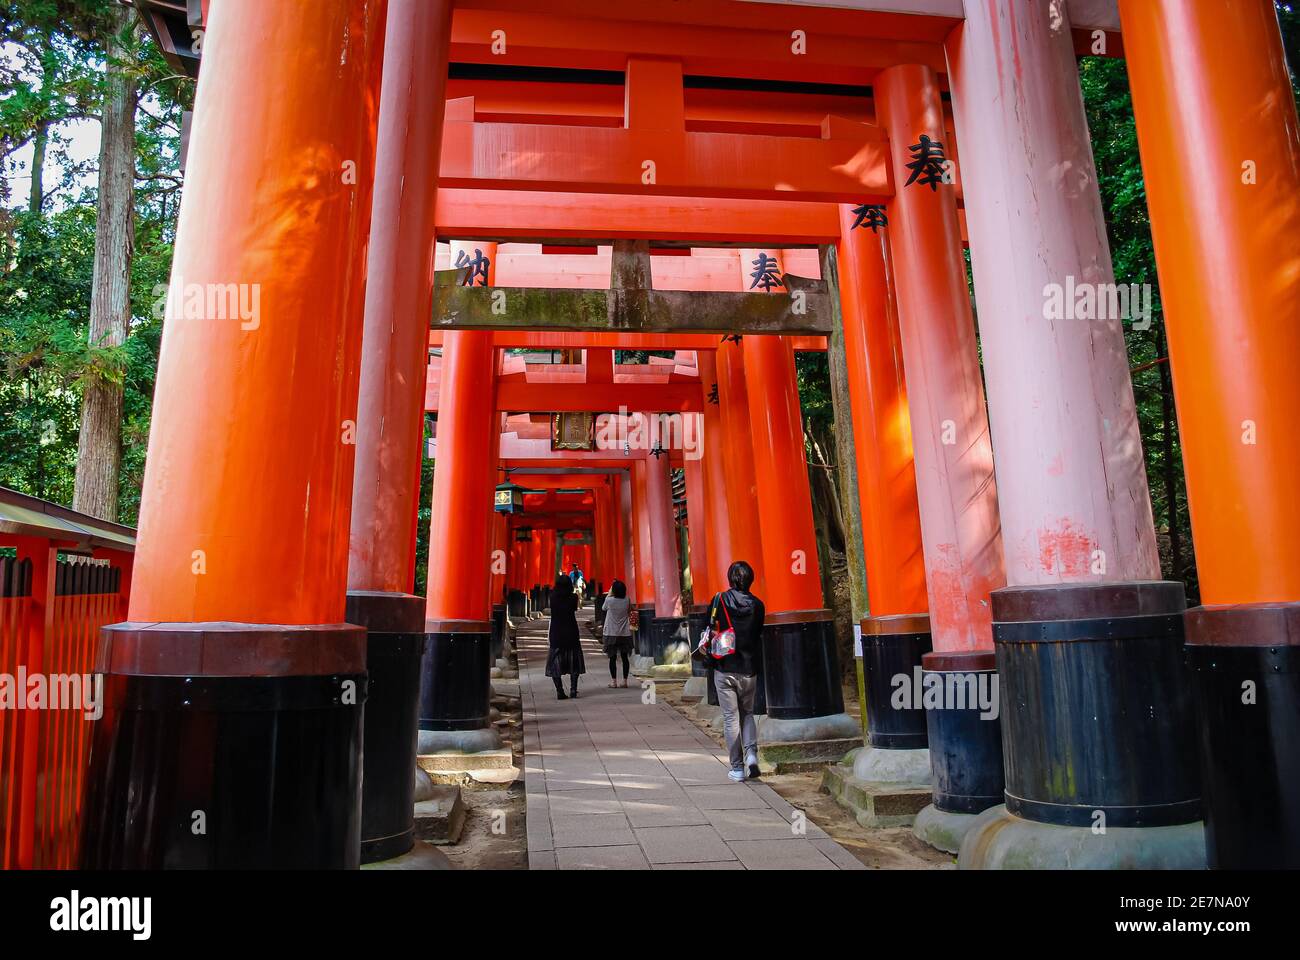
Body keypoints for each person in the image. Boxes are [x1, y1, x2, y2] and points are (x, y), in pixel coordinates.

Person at [705, 560, 765, 781]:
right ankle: (752, 756)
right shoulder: (758, 605)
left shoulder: (719, 600)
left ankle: (737, 768)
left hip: (724, 665)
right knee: (747, 713)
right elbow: (758, 634)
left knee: (731, 717)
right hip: (749, 668)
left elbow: (708, 626)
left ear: (730, 578)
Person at [545, 575, 585, 699]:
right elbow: (574, 608)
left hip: (556, 632)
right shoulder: (573, 597)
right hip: (571, 630)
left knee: (555, 662)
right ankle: (573, 689)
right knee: (574, 661)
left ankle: (560, 691)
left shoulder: (552, 597)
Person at [600, 579, 633, 688]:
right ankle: (624, 681)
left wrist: (609, 594)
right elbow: (629, 611)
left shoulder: (609, 600)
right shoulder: (627, 600)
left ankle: (614, 682)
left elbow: (603, 608)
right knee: (624, 658)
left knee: (612, 658)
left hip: (611, 632)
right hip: (624, 632)